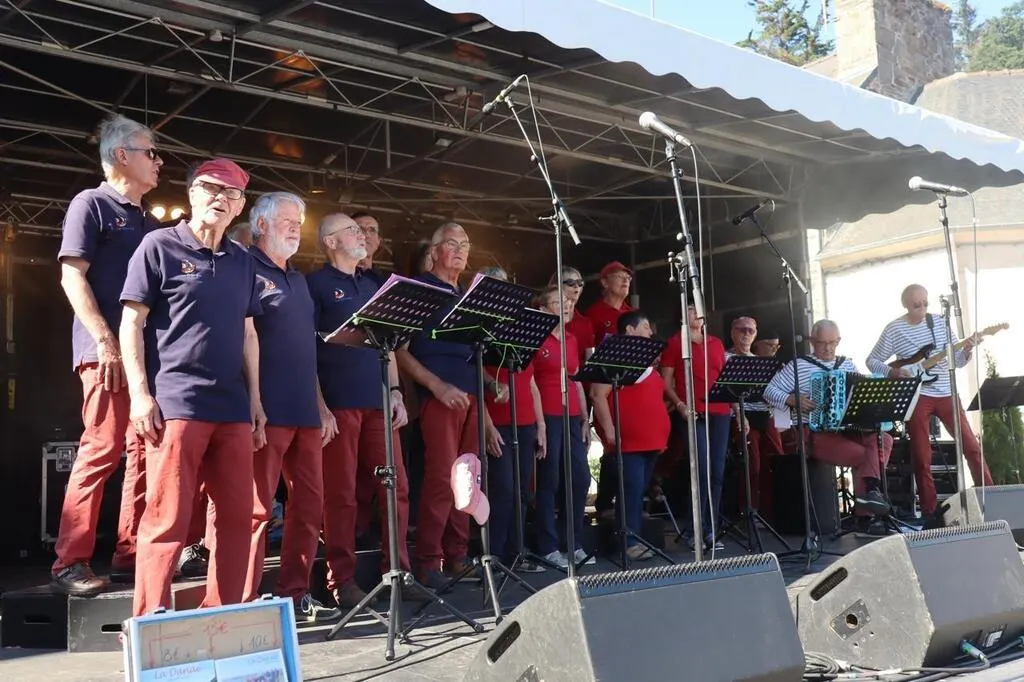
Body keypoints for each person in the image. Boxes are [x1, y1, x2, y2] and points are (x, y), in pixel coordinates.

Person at [120, 158, 265, 617]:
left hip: (233, 408)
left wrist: (256, 400)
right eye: (212, 189)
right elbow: (131, 323)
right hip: (177, 403)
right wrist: (141, 394)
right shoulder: (158, 245)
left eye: (233, 194)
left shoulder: (243, 262)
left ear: (241, 207)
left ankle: (225, 614)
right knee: (167, 518)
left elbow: (247, 334)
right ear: (191, 194)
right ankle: (150, 620)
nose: (222, 199)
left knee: (238, 518)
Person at [51, 114, 163, 596]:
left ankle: (130, 550)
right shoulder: (91, 203)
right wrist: (103, 340)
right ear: (122, 155)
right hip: (108, 353)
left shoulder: (150, 220)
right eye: (151, 152)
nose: (159, 162)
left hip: (146, 355)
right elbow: (71, 276)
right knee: (101, 449)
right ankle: (69, 562)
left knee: (142, 449)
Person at [308, 212, 420, 605]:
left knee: (396, 487)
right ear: (331, 241)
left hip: (377, 402)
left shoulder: (373, 285)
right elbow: (305, 352)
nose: (362, 235)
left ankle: (400, 573)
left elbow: (386, 346)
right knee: (340, 496)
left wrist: (395, 391)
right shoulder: (315, 284)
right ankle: (342, 581)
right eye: (352, 230)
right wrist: (319, 405)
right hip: (338, 405)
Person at [241, 192, 340, 623]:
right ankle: (240, 600)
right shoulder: (244, 268)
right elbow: (242, 342)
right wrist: (254, 402)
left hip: (305, 411)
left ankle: (295, 593)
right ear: (261, 225)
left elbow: (308, 352)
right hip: (267, 411)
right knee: (256, 508)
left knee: (308, 506)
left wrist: (322, 405)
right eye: (286, 220)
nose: (296, 227)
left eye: (299, 221)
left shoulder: (299, 281)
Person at [865, 284, 992, 517]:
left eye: (925, 303)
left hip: (946, 393)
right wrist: (892, 372)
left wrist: (967, 350)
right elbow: (872, 360)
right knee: (922, 456)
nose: (922, 309)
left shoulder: (940, 323)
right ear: (905, 305)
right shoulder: (894, 329)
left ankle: (991, 498)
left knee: (972, 446)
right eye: (916, 305)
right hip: (917, 394)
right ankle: (930, 513)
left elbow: (959, 361)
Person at [764, 319, 893, 522]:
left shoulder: (847, 364)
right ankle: (866, 515)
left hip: (847, 429)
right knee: (864, 456)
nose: (827, 347)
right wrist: (792, 399)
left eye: (832, 342)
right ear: (812, 342)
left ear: (838, 341)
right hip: (815, 432)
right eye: (822, 343)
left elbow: (859, 397)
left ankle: (870, 493)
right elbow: (769, 391)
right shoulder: (799, 366)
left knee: (883, 439)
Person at [480, 267, 546, 572]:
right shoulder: (477, 323)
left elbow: (530, 381)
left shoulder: (519, 324)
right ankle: (492, 556)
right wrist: (487, 425)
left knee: (522, 492)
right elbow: (472, 373)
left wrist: (541, 425)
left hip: (525, 420)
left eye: (504, 286)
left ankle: (516, 554)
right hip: (497, 420)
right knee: (502, 490)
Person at [590, 310, 670, 561]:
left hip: (651, 440)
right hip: (630, 441)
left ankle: (632, 536)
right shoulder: (614, 357)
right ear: (630, 330)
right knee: (631, 490)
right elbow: (597, 394)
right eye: (646, 327)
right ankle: (629, 541)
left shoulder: (648, 363)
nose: (650, 332)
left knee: (639, 489)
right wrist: (610, 429)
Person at [660, 305, 731, 551]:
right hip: (693, 412)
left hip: (721, 411)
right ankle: (694, 530)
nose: (695, 314)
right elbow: (666, 381)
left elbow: (724, 379)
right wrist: (679, 404)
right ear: (682, 315)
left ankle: (711, 530)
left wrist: (738, 411)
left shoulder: (716, 343)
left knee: (717, 472)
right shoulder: (674, 343)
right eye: (690, 309)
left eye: (697, 310)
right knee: (700, 470)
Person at [531, 285, 591, 569]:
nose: (567, 306)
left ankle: (574, 543)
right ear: (543, 309)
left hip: (571, 415)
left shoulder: (571, 338)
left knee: (580, 478)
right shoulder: (535, 337)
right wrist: (539, 422)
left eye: (568, 302)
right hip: (548, 414)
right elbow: (529, 382)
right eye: (559, 302)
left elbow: (576, 378)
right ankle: (548, 546)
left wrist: (584, 418)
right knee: (549, 481)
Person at [727, 316, 783, 520]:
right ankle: (749, 510)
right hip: (741, 415)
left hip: (765, 415)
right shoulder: (726, 358)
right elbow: (724, 391)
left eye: (750, 331)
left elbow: (775, 393)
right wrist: (739, 414)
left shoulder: (760, 361)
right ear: (732, 332)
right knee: (752, 465)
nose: (746, 334)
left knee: (777, 460)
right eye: (741, 330)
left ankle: (773, 510)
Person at [586, 261, 633, 345]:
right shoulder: (594, 313)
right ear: (605, 283)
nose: (626, 280)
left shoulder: (632, 313)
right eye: (619, 276)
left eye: (628, 277)